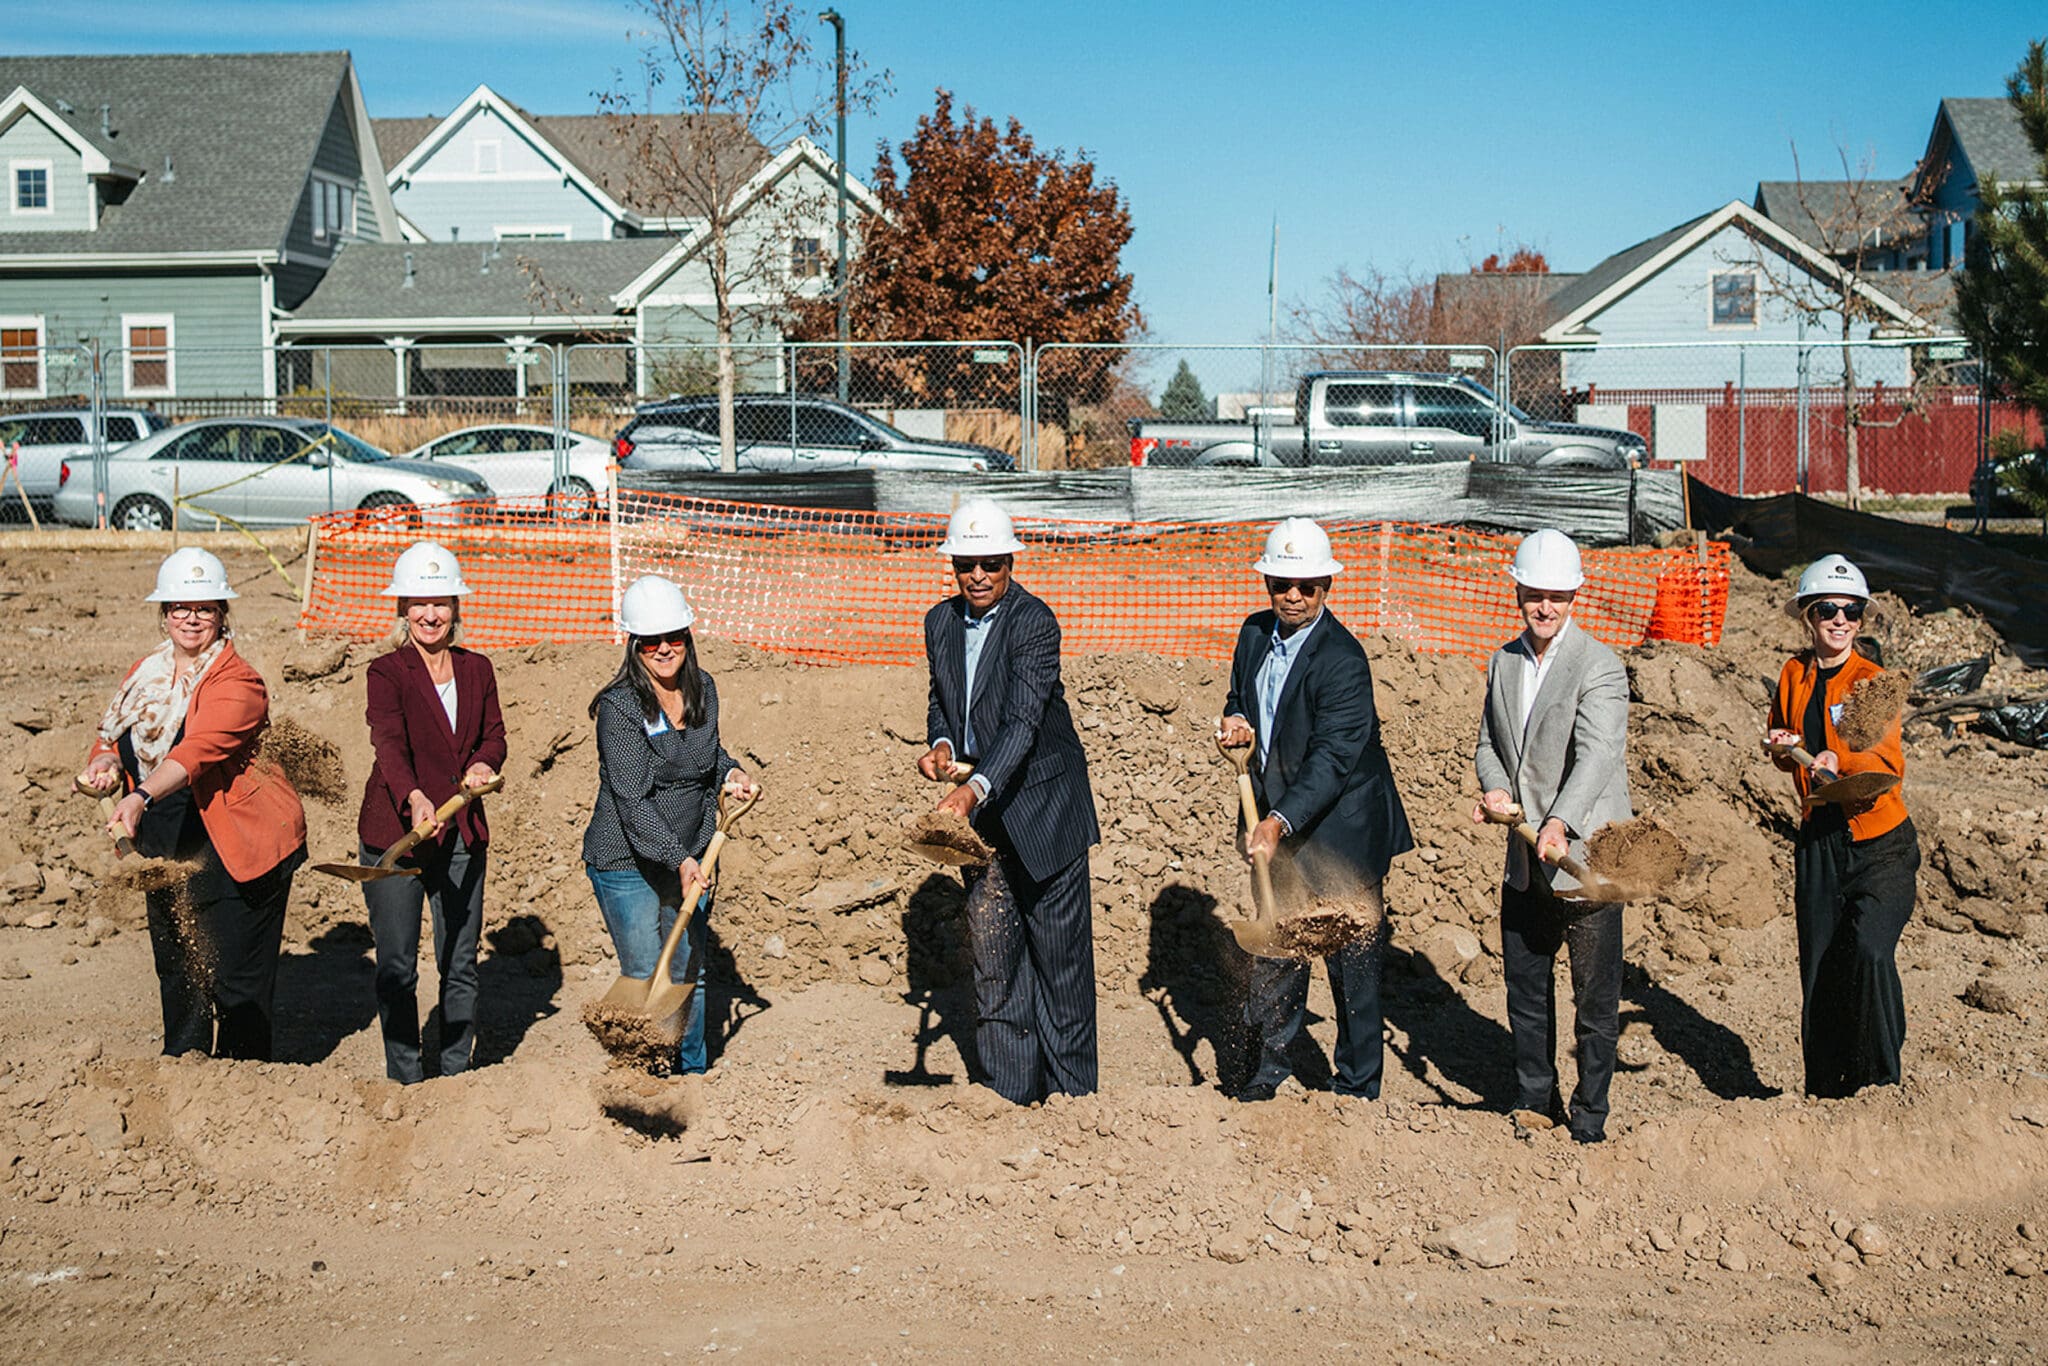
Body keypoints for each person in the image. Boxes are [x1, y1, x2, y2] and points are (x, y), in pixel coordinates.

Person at [79, 548, 307, 1060]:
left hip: (238, 845)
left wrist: (138, 795)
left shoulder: (238, 681)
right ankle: (186, 1075)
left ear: (222, 614)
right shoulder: (147, 672)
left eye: (204, 608)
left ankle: (243, 1084)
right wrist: (107, 766)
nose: (191, 617)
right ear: (164, 613)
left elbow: (196, 751)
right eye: (180, 607)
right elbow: (115, 734)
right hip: (168, 842)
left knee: (236, 979)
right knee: (180, 969)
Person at [1219, 518, 1413, 1102]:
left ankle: (1357, 1085)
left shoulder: (1343, 660)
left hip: (1342, 832)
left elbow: (1333, 759)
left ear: (1328, 583)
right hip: (1276, 821)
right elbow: (1239, 697)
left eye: (1306, 585)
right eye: (1282, 584)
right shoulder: (1254, 634)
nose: (1293, 596)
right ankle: (1267, 1073)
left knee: (1351, 965)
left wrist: (1278, 822)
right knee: (1278, 948)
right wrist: (1235, 722)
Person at [918, 497, 1101, 1103]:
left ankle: (1075, 1108)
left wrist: (970, 789)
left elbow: (1022, 724)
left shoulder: (1034, 624)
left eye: (990, 564)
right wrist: (942, 744)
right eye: (967, 563)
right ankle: (1009, 1099)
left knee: (1061, 971)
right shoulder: (938, 623)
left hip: (1045, 816)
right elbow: (943, 701)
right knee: (996, 966)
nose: (977, 575)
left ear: (1009, 563)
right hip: (985, 823)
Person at [1472, 529, 1631, 1144]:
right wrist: (1494, 790)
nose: (1545, 607)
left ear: (1575, 597)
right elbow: (1489, 743)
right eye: (1534, 594)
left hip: (1584, 855)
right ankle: (1534, 1097)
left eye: (1557, 597)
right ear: (1517, 591)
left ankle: (1590, 1116)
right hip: (1523, 853)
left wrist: (1561, 821)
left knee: (1594, 998)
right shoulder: (1504, 660)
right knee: (1527, 987)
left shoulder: (1600, 665)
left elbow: (1596, 756)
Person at [583, 575, 758, 1075]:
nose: (664, 649)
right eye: (651, 641)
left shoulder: (704, 691)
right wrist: (678, 859)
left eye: (673, 637)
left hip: (693, 851)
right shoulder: (620, 708)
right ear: (634, 645)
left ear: (687, 636)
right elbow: (632, 801)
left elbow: (708, 758)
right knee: (644, 973)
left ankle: (692, 1073)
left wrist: (733, 773)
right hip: (627, 860)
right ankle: (646, 1076)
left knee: (688, 972)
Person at [1765, 554, 1917, 1098]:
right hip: (1820, 841)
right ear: (1807, 614)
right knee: (1823, 968)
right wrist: (1787, 752)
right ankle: (1828, 1093)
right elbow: (1784, 741)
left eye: (1851, 612)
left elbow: (1885, 764)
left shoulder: (1871, 683)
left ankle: (1882, 1083)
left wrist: (1837, 761)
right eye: (1828, 609)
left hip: (1880, 843)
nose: (1840, 620)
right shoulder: (1793, 674)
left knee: (1871, 950)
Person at [356, 542, 506, 1084]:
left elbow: (494, 735)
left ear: (456, 607)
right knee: (396, 964)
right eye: (418, 603)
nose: (429, 615)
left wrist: (485, 764)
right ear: (402, 609)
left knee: (459, 962)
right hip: (394, 835)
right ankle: (405, 1076)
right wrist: (415, 798)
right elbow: (389, 745)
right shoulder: (386, 673)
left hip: (461, 835)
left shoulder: (477, 670)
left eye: (440, 602)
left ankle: (453, 1073)